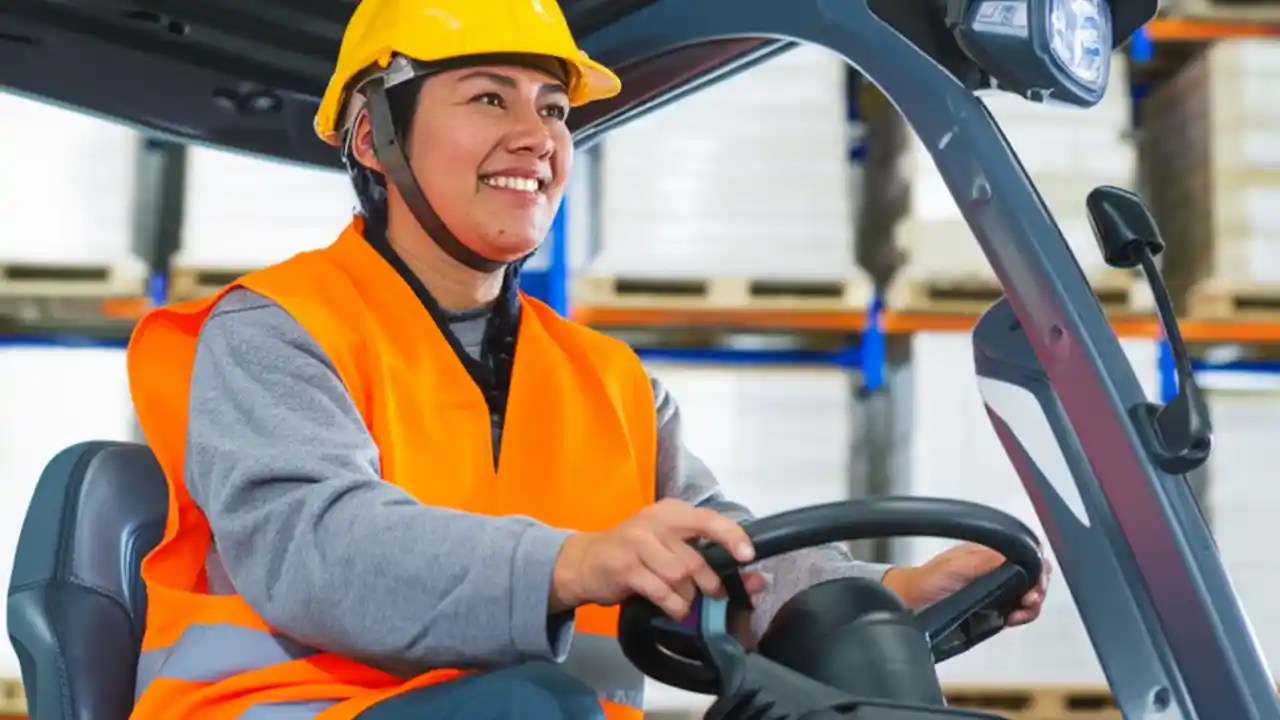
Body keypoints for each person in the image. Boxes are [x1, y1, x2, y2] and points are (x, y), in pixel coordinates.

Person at [123, 1, 1051, 718]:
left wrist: (876, 600)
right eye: (489, 95)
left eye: (555, 108)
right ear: (375, 135)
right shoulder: (277, 329)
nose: (539, 138)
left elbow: (726, 550)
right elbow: (317, 549)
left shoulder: (609, 381)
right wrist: (569, 565)